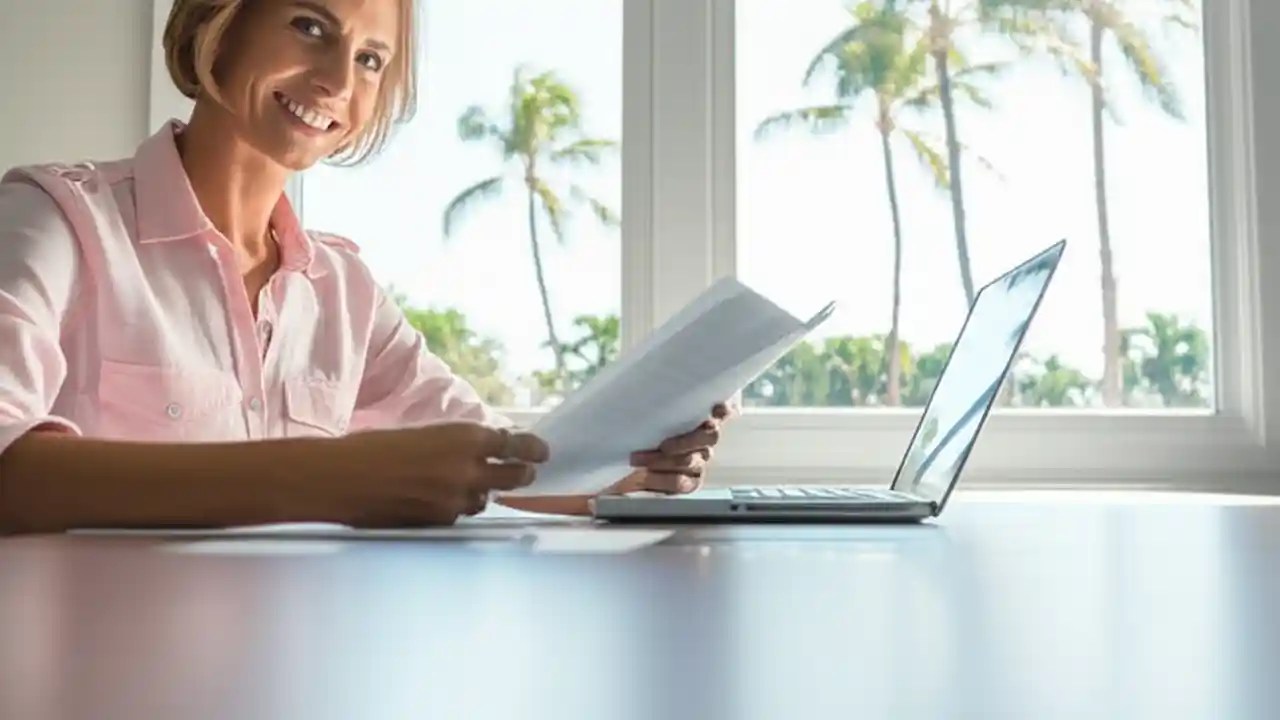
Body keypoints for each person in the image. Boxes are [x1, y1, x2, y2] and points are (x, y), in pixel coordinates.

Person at [0, 0, 731, 534]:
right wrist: (329, 480)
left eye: (371, 60)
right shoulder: (57, 220)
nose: (337, 81)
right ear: (217, 23)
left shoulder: (342, 291)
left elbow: (494, 460)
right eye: (310, 27)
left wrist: (622, 473)